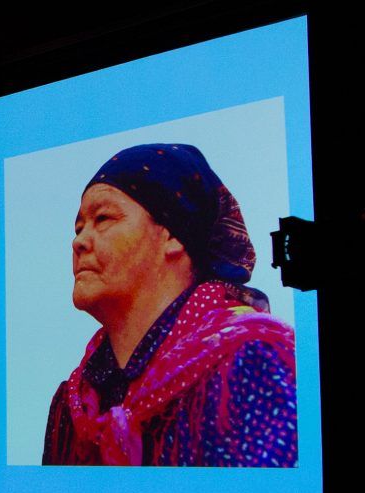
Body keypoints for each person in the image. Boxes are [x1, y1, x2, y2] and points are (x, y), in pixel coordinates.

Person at [42, 143, 297, 467]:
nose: (78, 241)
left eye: (103, 218)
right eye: (79, 228)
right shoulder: (71, 405)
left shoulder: (255, 361)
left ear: (173, 235)